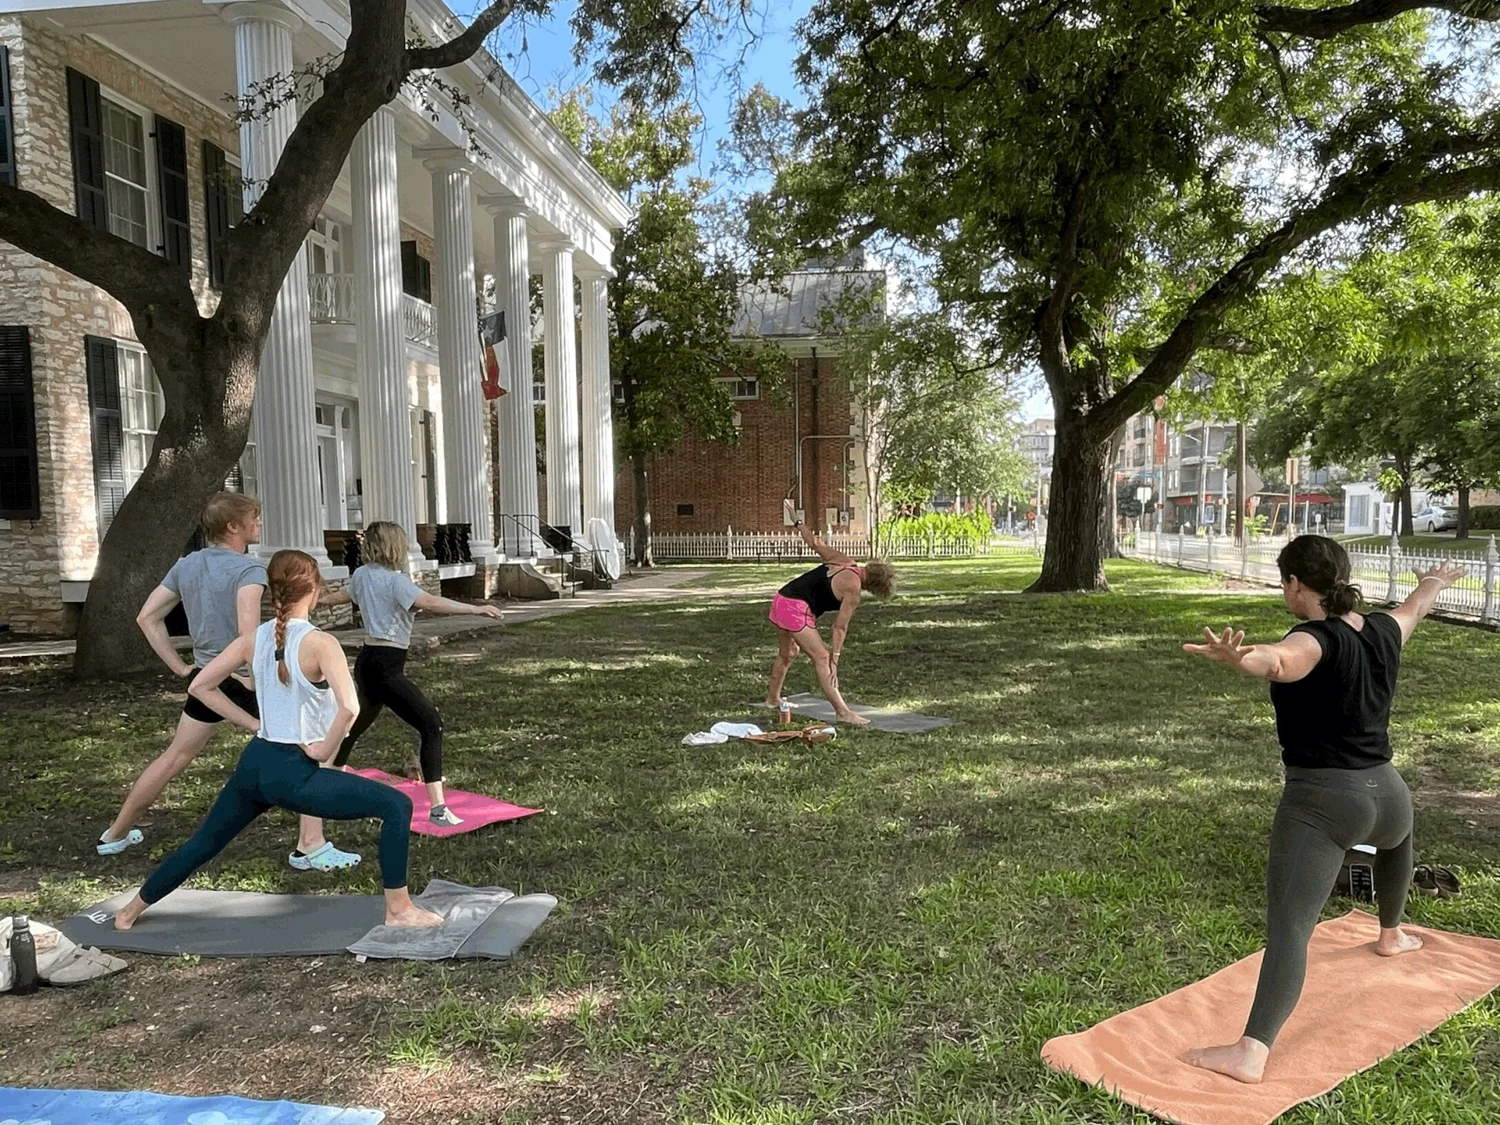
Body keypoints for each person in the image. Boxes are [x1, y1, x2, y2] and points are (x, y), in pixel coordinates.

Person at [1182, 535, 1465, 1083]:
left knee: (1290, 924)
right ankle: (1391, 935)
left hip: (1324, 803)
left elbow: (1283, 661)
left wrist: (1245, 658)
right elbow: (1416, 606)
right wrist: (1436, 580)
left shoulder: (1311, 639)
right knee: (1398, 847)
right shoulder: (1383, 629)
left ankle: (1252, 1052)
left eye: (1285, 583)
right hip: (1390, 795)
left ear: (1294, 584)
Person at [112, 550, 443, 932]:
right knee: (397, 806)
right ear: (315, 590)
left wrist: (253, 724)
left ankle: (130, 910)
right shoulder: (322, 643)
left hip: (255, 764)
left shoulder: (253, 639)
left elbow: (201, 685)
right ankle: (399, 910)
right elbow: (350, 709)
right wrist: (321, 751)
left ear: (274, 592)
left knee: (204, 842)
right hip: (294, 773)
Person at [99, 493, 358, 874]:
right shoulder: (248, 571)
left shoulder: (186, 565)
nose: (258, 525)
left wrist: (181, 669)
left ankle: (115, 834)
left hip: (207, 676)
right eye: (254, 519)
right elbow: (248, 634)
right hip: (249, 678)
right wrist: (254, 682)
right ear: (233, 527)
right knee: (316, 746)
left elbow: (147, 618)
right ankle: (310, 844)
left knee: (174, 757)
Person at [320, 522, 504, 827]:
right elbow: (431, 602)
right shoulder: (396, 581)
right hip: (386, 666)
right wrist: (475, 609)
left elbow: (341, 596)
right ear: (395, 546)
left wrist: (314, 598)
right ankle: (438, 810)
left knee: (355, 726)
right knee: (432, 725)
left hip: (367, 662)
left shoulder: (363, 575)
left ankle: (328, 781)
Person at [766, 522, 896, 726]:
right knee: (822, 657)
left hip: (781, 599)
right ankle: (842, 712)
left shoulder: (844, 560)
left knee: (788, 653)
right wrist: (834, 660)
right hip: (794, 609)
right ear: (872, 587)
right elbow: (839, 627)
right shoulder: (853, 590)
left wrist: (798, 523)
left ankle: (773, 699)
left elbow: (814, 543)